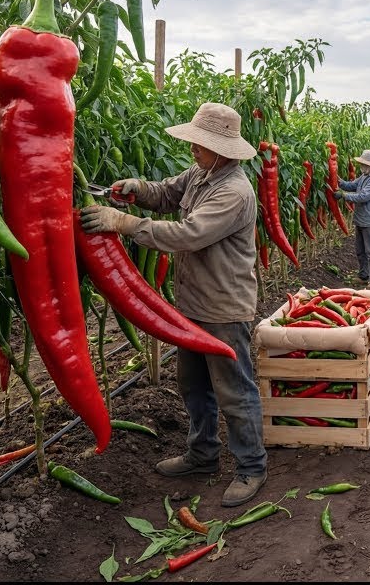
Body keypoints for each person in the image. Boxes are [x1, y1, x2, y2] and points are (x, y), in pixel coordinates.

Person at [78, 102, 268, 506]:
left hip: (223, 307)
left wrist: (123, 223)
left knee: (234, 390)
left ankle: (252, 467)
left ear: (222, 150)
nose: (192, 150)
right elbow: (167, 193)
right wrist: (138, 190)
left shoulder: (234, 191)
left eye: (199, 144)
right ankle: (202, 454)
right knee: (193, 385)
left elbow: (188, 233)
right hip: (193, 303)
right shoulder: (202, 173)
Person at [336, 150, 370, 288]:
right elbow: (352, 185)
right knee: (360, 250)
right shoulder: (364, 176)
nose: (361, 166)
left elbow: (362, 196)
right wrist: (339, 181)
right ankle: (364, 275)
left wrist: (343, 195)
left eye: (363, 164)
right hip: (361, 219)